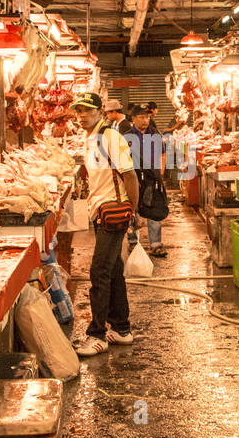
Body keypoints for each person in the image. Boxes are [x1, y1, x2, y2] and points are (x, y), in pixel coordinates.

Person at [70, 91, 139, 357]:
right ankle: (121, 329)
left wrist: (133, 211)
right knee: (113, 271)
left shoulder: (111, 137)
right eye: (79, 110)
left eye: (88, 110)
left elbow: (130, 175)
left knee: (99, 271)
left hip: (114, 211)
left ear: (100, 111)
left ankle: (97, 334)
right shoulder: (89, 138)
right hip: (100, 210)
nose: (82, 115)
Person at [126, 104, 168, 257]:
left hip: (152, 179)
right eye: (142, 117)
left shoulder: (156, 134)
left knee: (153, 209)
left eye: (148, 117)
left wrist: (160, 172)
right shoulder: (126, 137)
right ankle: (133, 243)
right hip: (133, 178)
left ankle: (156, 244)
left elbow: (163, 155)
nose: (146, 120)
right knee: (132, 211)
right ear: (134, 118)